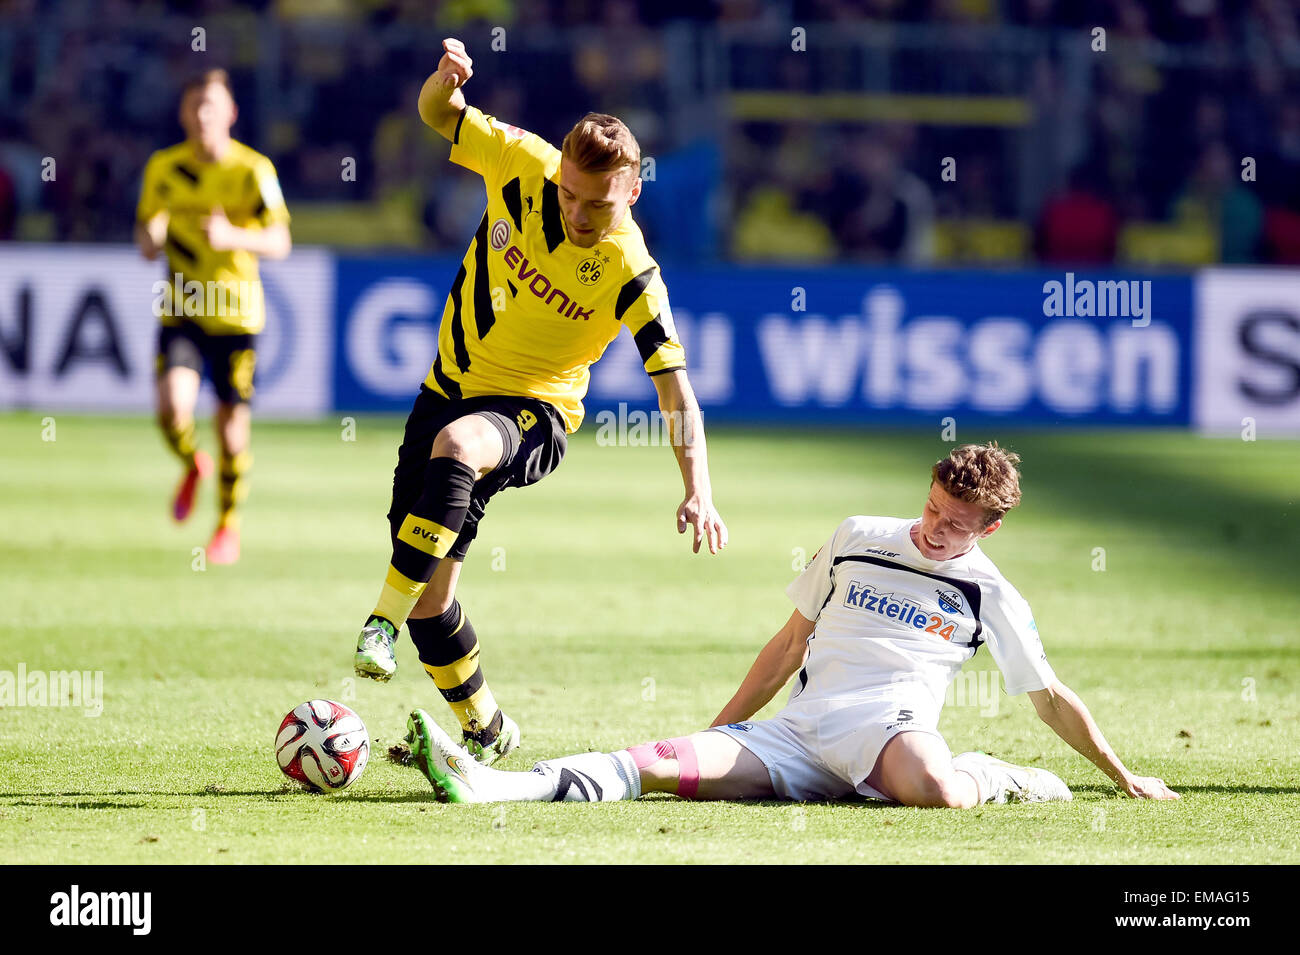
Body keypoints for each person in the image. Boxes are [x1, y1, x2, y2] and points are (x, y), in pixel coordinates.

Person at [403, 443, 1180, 807]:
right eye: (933, 508)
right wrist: (716, 734)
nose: (933, 529)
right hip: (800, 731)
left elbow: (1047, 695)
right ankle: (493, 786)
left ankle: (1001, 777)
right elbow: (787, 645)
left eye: (955, 525)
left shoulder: (988, 592)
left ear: (992, 527)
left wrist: (1121, 773)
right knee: (660, 766)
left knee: (941, 791)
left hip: (892, 728)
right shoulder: (856, 536)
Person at [353, 38, 728, 766]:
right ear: (556, 171)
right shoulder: (518, 160)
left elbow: (675, 387)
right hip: (446, 389)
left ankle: (378, 622)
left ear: (634, 192)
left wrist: (699, 488)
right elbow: (439, 115)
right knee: (435, 598)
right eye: (570, 194)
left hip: (534, 414)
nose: (581, 214)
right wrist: (443, 83)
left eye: (600, 204)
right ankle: (488, 729)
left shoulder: (631, 271)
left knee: (459, 450)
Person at [135, 69, 292, 564]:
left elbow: (281, 242)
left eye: (212, 106)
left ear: (231, 113)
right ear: (183, 113)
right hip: (182, 308)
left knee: (230, 428)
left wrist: (234, 238)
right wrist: (151, 238)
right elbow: (144, 238)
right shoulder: (163, 167)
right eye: (195, 106)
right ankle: (191, 463)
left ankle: (227, 526)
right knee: (171, 411)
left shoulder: (253, 171)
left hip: (237, 317)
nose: (203, 115)